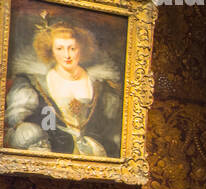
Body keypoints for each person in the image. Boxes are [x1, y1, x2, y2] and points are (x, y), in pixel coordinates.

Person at [4, 12, 122, 157]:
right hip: (54, 152)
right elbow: (17, 126)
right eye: (60, 48)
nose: (67, 55)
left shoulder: (102, 85)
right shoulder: (33, 83)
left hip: (95, 154)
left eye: (72, 48)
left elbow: (112, 130)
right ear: (51, 51)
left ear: (82, 48)